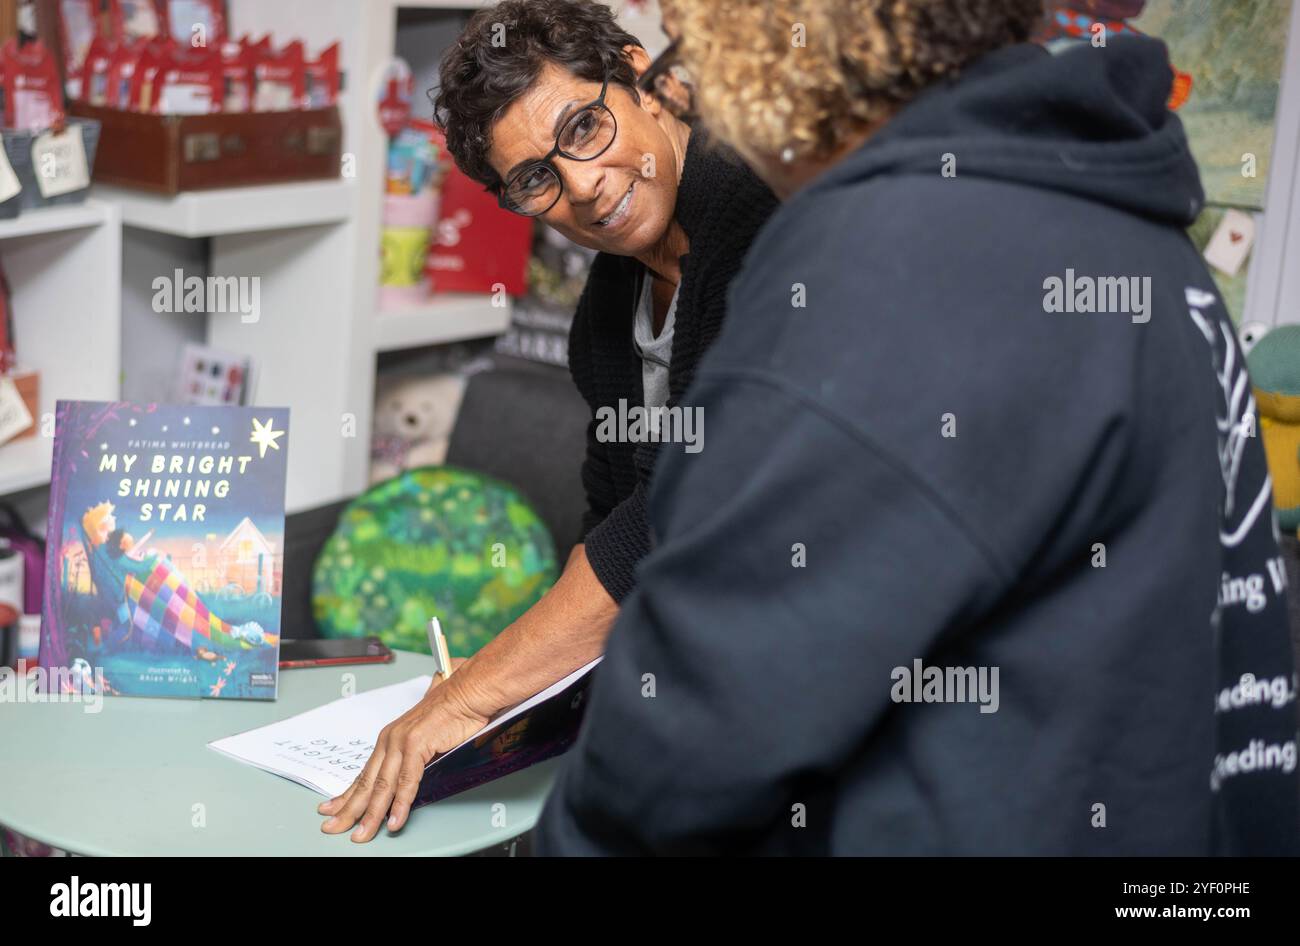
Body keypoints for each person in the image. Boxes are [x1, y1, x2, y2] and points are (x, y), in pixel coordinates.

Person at [535, 0, 1300, 854]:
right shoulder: (1113, 206)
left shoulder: (896, 266)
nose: (688, 92)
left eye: (692, 48)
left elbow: (688, 734)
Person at [319, 0, 776, 842]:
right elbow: (607, 514)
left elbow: (676, 510)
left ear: (642, 77)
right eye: (534, 178)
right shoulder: (602, 317)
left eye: (585, 126)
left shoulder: (759, 226)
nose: (584, 186)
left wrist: (472, 693)